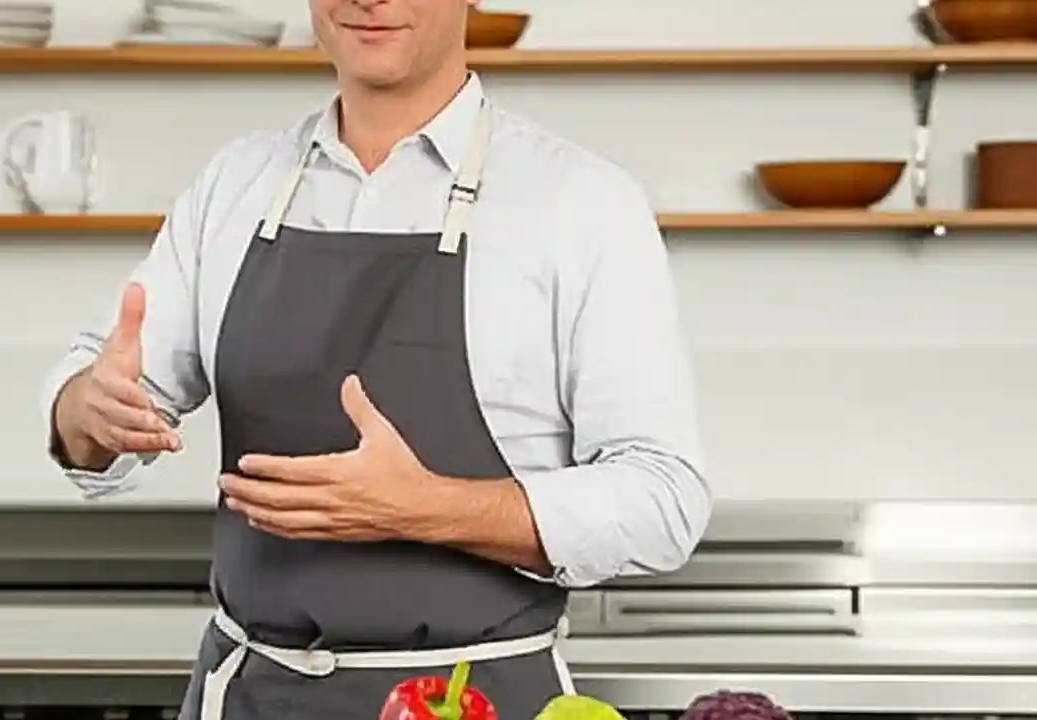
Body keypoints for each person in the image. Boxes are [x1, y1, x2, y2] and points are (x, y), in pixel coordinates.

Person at [40, 0, 712, 717]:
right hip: (252, 697)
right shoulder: (234, 184)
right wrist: (88, 409)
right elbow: (101, 400)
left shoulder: (582, 204)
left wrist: (428, 509)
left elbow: (662, 499)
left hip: (475, 700)